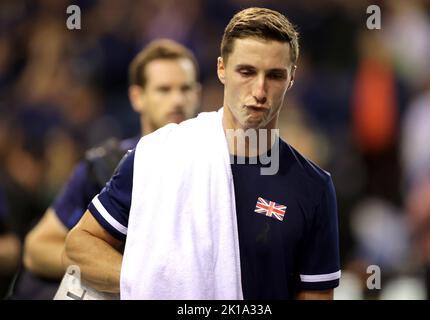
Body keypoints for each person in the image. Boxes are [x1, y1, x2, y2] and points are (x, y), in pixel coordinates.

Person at [63, 7, 341, 300]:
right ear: (221, 68)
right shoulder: (157, 155)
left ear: (292, 77)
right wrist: (153, 285)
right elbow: (79, 246)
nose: (259, 90)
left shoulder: (313, 187)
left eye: (274, 75)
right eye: (246, 72)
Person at [10, 39, 201, 299]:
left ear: (198, 94)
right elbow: (37, 249)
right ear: (137, 97)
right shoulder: (106, 165)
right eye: (164, 90)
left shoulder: (215, 165)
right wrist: (116, 271)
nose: (177, 100)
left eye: (185, 89)